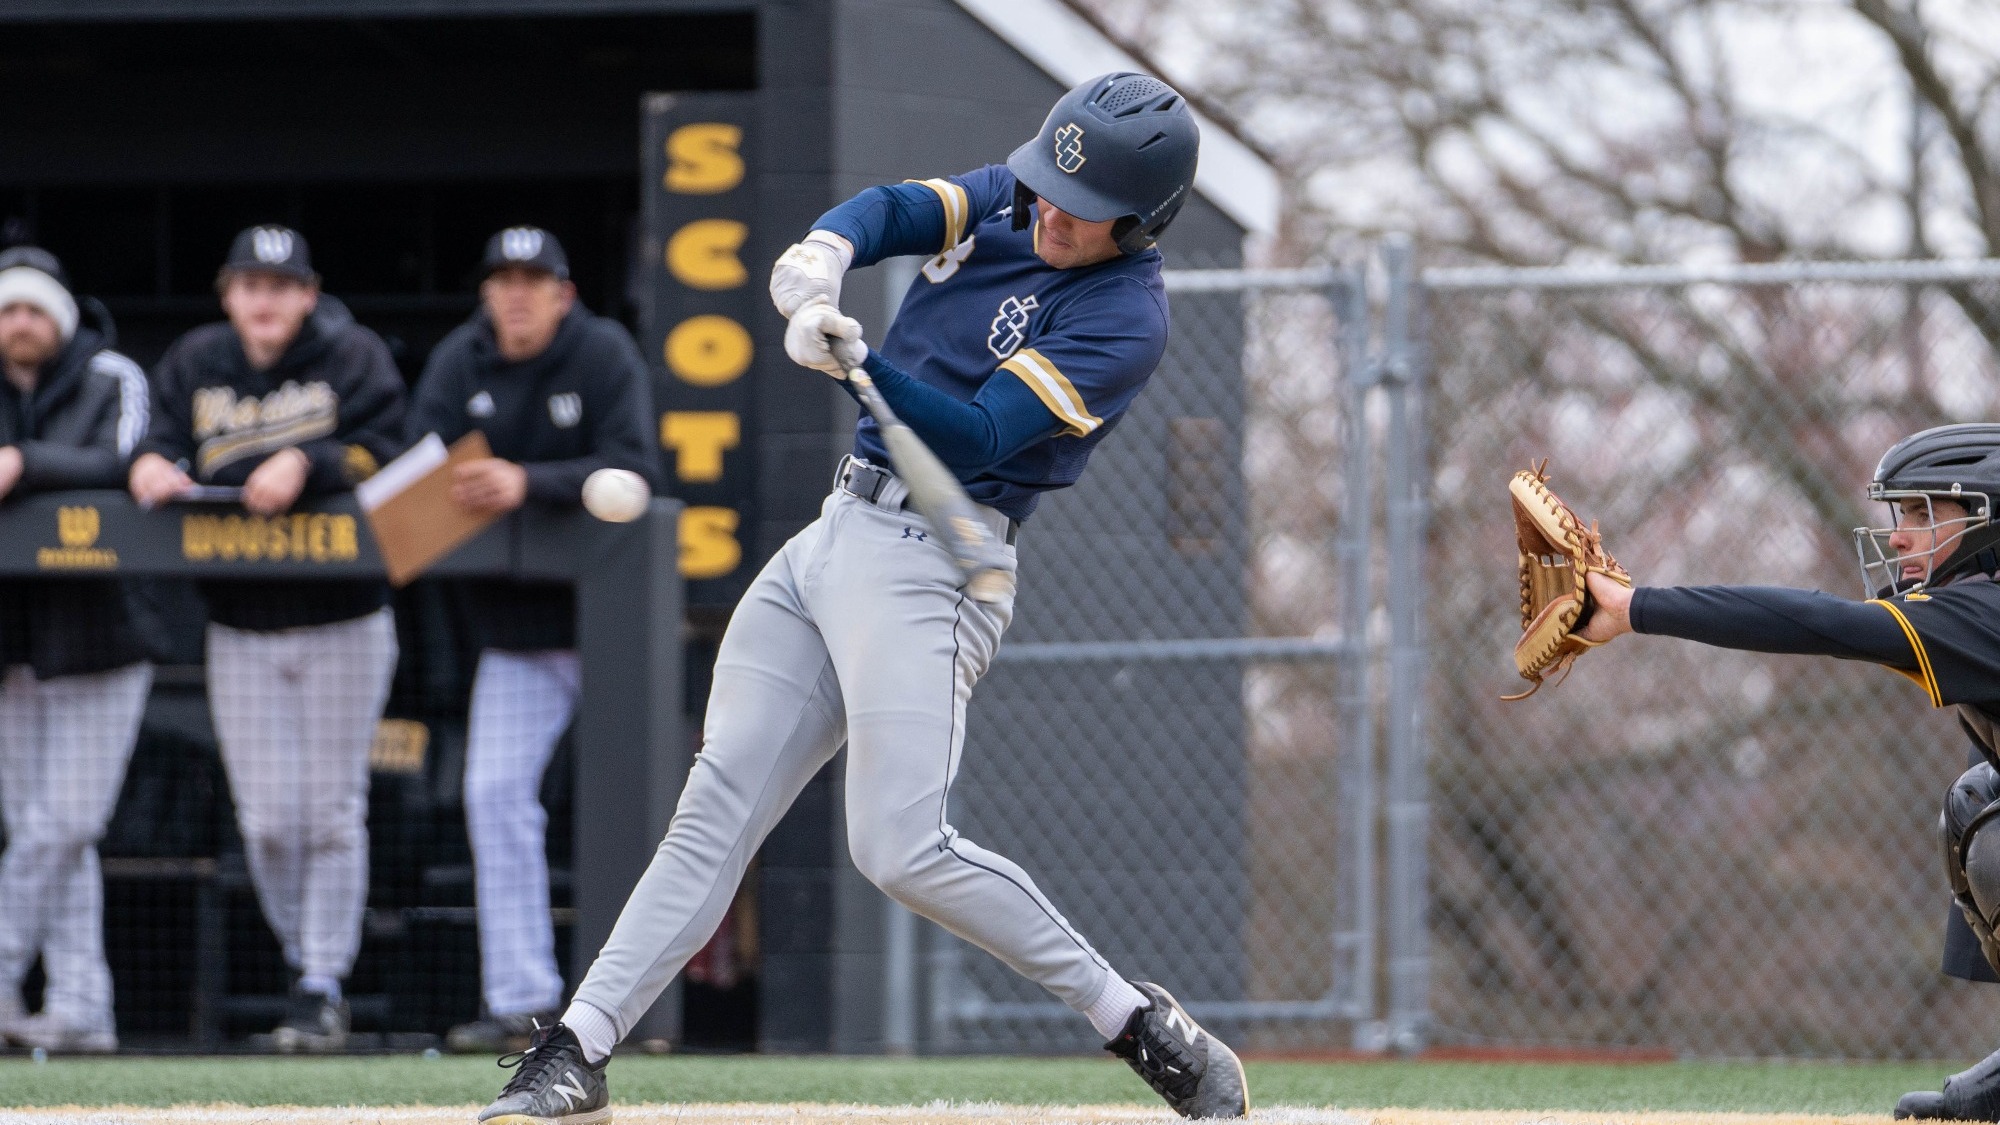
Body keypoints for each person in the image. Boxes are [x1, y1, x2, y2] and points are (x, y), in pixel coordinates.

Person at [477, 72, 1249, 1124]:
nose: (1052, 214)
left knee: (900, 850)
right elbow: (894, 209)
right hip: (836, 531)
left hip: (935, 564)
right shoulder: (1023, 196)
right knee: (715, 802)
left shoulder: (1124, 317)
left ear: (1143, 222)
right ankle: (577, 1048)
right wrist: (826, 252)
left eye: (1086, 209)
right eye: (1050, 189)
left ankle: (1130, 1016)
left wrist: (857, 366)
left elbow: (979, 435)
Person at [1563, 422, 2000, 1120]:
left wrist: (1631, 606)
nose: (1898, 537)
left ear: (1986, 519)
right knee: (1982, 793)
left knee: (1989, 829)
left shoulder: (1983, 612)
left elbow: (1816, 622)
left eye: (1922, 514)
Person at [129, 225, 405, 1052]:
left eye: (282, 286)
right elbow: (158, 440)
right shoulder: (195, 359)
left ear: (308, 294)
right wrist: (148, 465)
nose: (266, 300)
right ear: (228, 294)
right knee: (268, 821)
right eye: (251, 285)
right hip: (240, 623)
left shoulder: (352, 354)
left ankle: (320, 981)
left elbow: (390, 452)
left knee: (331, 811)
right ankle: (304, 960)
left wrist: (309, 462)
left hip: (343, 617)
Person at [404, 226, 659, 1054]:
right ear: (486, 292)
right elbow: (414, 476)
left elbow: (636, 468)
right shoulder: (460, 361)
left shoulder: (601, 352)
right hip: (517, 634)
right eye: (503, 280)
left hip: (612, 628)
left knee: (646, 810)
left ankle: (638, 1001)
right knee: (493, 794)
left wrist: (528, 482)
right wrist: (462, 485)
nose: (516, 294)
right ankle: (521, 1000)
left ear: (563, 292)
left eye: (532, 280)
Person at [0, 247, 153, 1054]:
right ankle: (82, 1006)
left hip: (102, 634)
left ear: (60, 317)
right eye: (7, 309)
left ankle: (4, 972)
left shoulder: (110, 374)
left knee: (62, 823)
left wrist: (24, 462)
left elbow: (128, 461)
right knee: (40, 826)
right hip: (15, 641)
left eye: (34, 308)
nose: (19, 322)